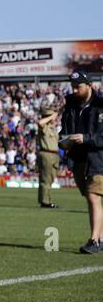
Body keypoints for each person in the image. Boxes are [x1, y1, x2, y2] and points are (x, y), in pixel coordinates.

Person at [60, 70, 103, 254]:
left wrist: (85, 138)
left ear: (90, 86)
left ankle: (93, 241)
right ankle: (100, 238)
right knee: (90, 197)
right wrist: (64, 140)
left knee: (94, 197)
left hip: (98, 158)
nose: (75, 90)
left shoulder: (101, 105)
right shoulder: (70, 104)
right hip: (77, 159)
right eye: (73, 86)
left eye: (78, 86)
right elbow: (64, 128)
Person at [35, 103, 61, 209]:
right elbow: (40, 123)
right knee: (45, 179)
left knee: (50, 179)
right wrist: (51, 116)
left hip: (54, 154)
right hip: (46, 153)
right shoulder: (44, 126)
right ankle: (45, 202)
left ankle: (48, 200)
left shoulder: (52, 128)